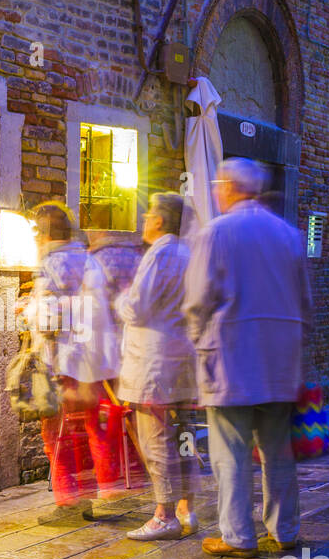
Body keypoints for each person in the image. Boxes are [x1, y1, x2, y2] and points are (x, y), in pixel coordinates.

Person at [183, 158, 313, 558]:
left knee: (230, 451)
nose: (216, 192)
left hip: (231, 357)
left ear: (229, 187)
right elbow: (306, 301)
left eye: (219, 185)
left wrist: (196, 345)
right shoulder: (289, 234)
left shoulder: (216, 232)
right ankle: (285, 530)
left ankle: (238, 536)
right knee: (278, 450)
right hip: (280, 360)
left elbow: (197, 301)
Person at [23, 203, 124, 511]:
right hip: (92, 361)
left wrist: (28, 308)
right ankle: (107, 487)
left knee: (56, 433)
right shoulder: (88, 261)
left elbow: (49, 317)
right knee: (92, 426)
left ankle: (68, 499)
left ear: (44, 232)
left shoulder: (52, 263)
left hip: (61, 361)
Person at [116, 193, 199, 541]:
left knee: (156, 438)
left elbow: (136, 308)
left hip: (154, 362)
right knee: (184, 435)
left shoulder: (160, 253)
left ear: (160, 221)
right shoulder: (188, 253)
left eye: (148, 214)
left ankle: (163, 514)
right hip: (182, 359)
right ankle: (186, 508)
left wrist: (119, 299)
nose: (144, 220)